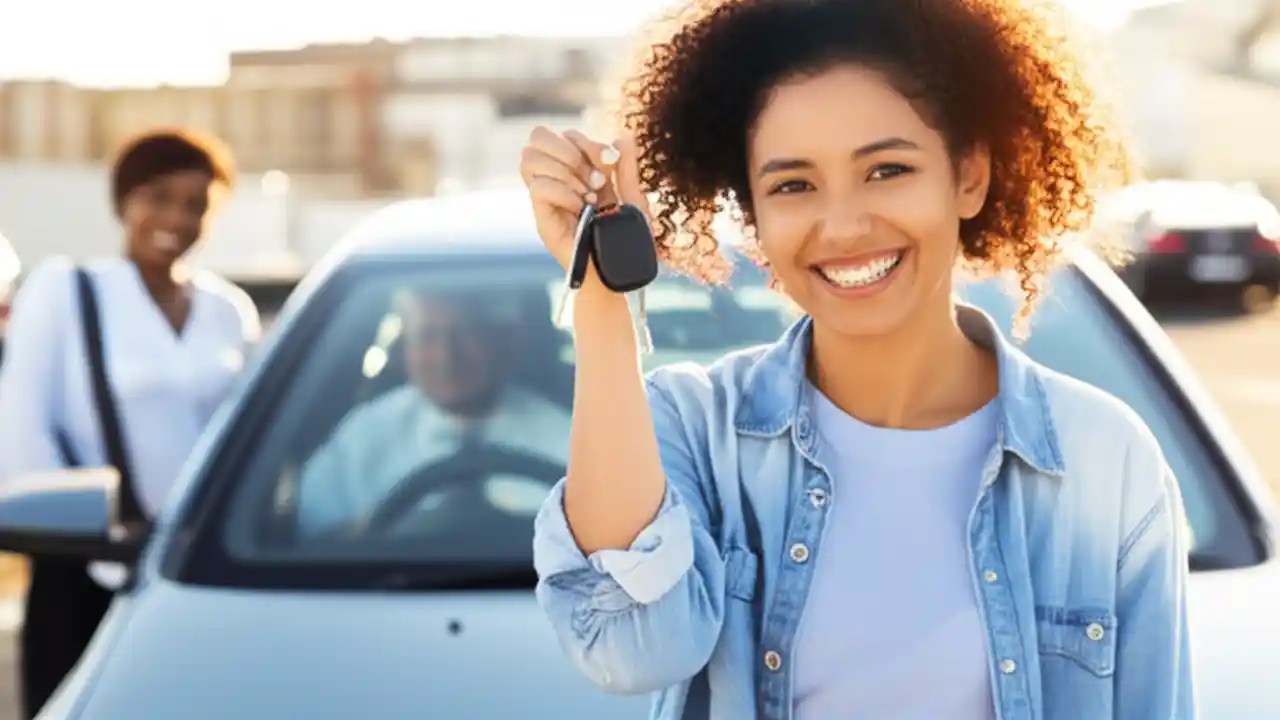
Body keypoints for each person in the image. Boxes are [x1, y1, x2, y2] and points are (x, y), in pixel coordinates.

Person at [523, 1, 1194, 718]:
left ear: (968, 177)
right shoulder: (694, 431)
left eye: (887, 170)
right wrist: (603, 290)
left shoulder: (1102, 460)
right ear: (754, 215)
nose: (843, 226)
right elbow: (629, 649)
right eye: (793, 185)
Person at [0, 128, 260, 718]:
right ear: (124, 201)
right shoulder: (65, 290)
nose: (176, 218)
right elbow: (21, 427)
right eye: (159, 197)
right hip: (85, 570)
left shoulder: (227, 311)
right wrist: (83, 533)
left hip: (194, 572)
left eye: (196, 205)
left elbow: (243, 442)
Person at [295, 286, 571, 537]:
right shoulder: (361, 438)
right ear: (405, 347)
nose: (446, 355)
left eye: (465, 333)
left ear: (501, 341)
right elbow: (314, 537)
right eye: (427, 337)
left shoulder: (565, 438)